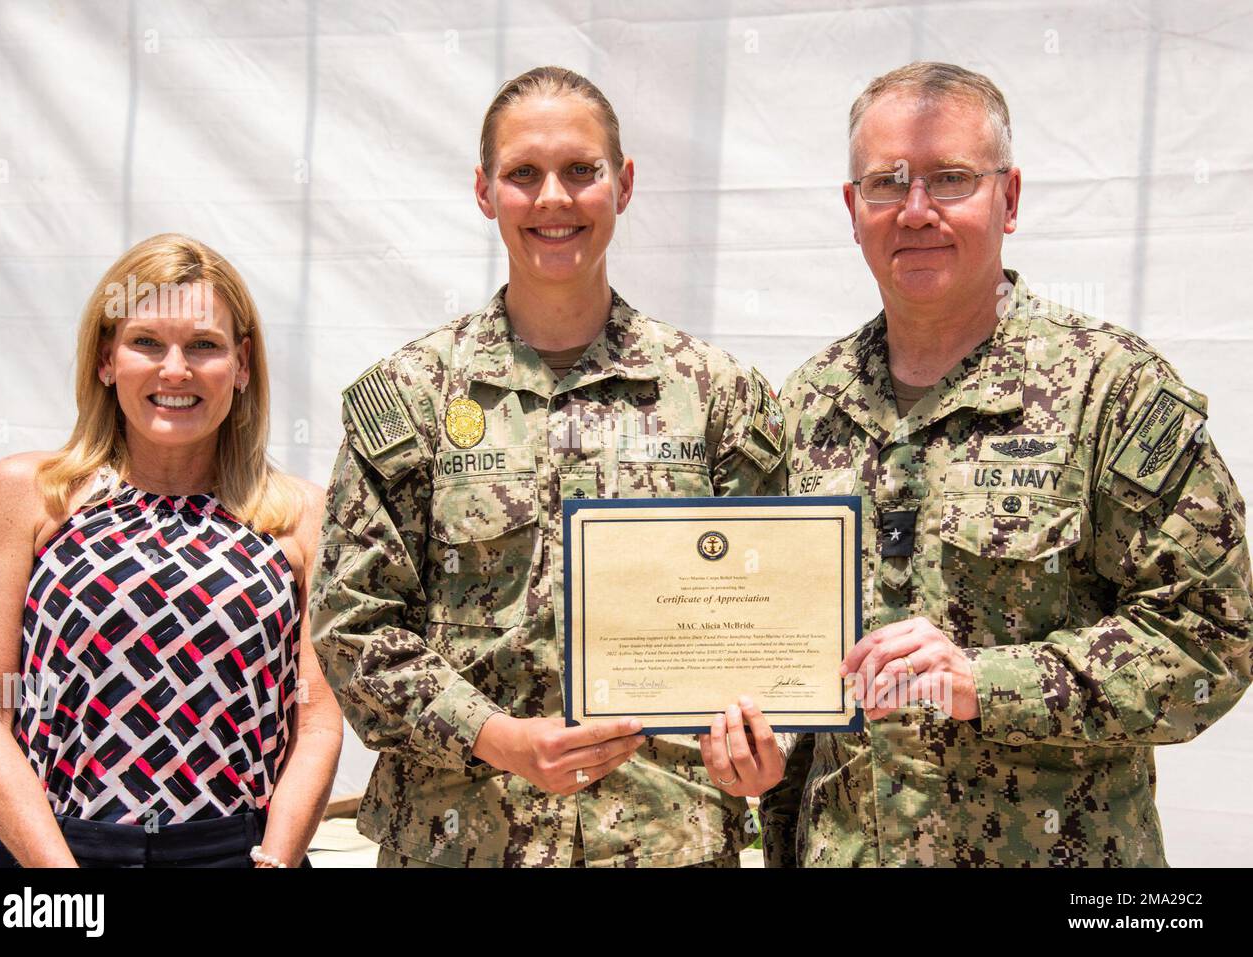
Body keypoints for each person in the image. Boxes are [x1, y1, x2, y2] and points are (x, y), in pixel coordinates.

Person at [757, 61, 1252, 866]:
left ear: (1009, 198)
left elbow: (1213, 639)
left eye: (950, 179)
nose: (916, 211)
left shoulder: (1111, 391)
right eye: (887, 183)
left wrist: (987, 683)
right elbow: (781, 662)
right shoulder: (805, 405)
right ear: (853, 209)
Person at [311, 65, 785, 867]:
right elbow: (352, 623)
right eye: (523, 174)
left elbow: (775, 624)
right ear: (485, 191)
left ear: (623, 184)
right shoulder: (414, 396)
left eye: (581, 171)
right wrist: (493, 736)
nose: (554, 199)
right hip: (460, 842)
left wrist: (761, 741)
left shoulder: (716, 396)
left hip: (662, 841)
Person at [0, 233, 342, 867]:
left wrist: (276, 859)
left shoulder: (301, 518)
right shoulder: (27, 496)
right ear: (107, 358)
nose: (175, 370)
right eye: (146, 343)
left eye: (204, 346)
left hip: (239, 855)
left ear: (243, 365)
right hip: (51, 855)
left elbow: (319, 721)